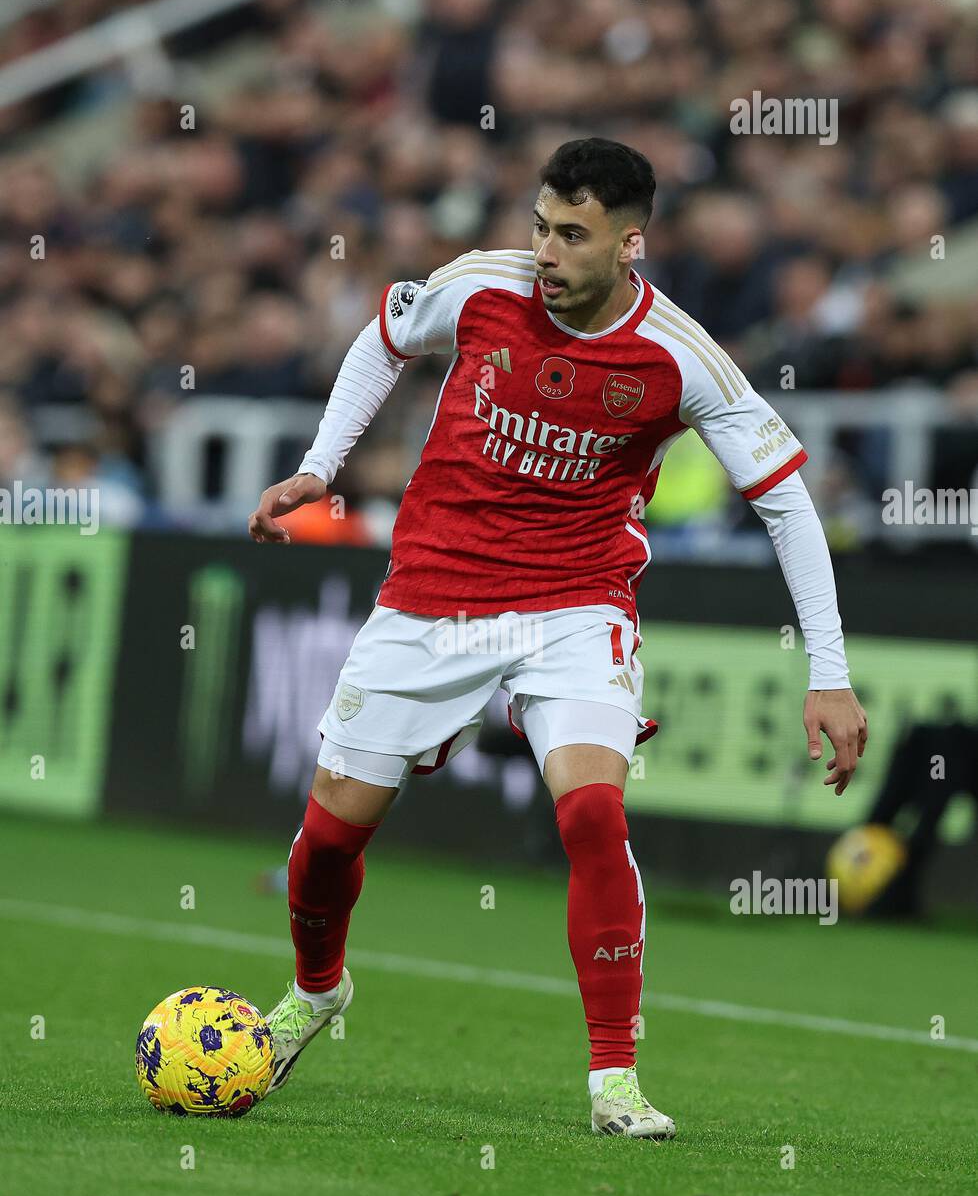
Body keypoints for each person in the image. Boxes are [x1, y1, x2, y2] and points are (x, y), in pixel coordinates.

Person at [248, 138, 869, 1139]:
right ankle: (318, 990)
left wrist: (829, 676)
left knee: (590, 815)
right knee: (327, 842)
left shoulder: (679, 355)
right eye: (541, 225)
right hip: (433, 595)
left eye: (571, 234)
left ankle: (614, 1078)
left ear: (630, 243)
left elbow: (789, 506)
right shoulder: (481, 288)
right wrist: (324, 463)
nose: (545, 249)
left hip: (575, 603)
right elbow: (386, 338)